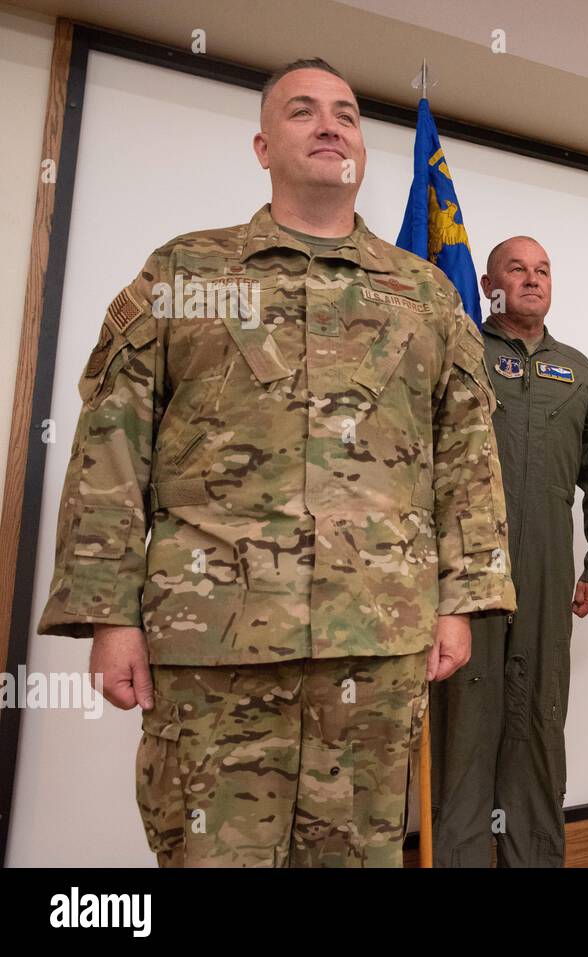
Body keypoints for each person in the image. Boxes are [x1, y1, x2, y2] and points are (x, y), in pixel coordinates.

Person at [36, 58, 515, 867]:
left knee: (360, 856)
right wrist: (109, 614)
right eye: (304, 112)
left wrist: (461, 600)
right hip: (213, 643)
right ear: (263, 146)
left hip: (378, 638)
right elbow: (111, 446)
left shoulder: (428, 294)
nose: (331, 125)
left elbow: (465, 456)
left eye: (347, 113)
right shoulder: (186, 273)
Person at [428, 236, 588, 867]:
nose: (532, 279)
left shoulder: (579, 371)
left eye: (543, 270)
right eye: (517, 269)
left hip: (546, 566)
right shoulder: (460, 353)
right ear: (490, 284)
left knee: (539, 716)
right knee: (466, 721)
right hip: (466, 569)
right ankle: (459, 857)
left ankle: (534, 855)